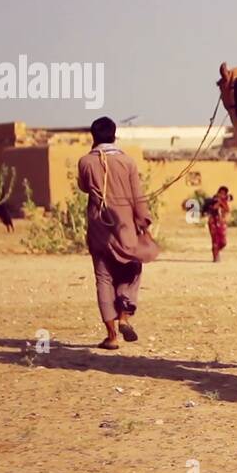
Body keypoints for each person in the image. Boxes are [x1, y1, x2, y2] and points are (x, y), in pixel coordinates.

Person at [77, 117, 160, 350]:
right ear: (114, 135)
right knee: (132, 269)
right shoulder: (128, 162)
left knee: (103, 277)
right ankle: (124, 314)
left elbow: (84, 187)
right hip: (125, 227)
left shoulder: (85, 162)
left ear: (93, 136)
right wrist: (144, 222)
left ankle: (112, 336)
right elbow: (138, 197)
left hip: (98, 226)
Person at [207, 186, 232, 262]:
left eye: (224, 193)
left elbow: (227, 210)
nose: (222, 194)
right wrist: (218, 202)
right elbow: (213, 208)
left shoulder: (224, 201)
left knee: (223, 242)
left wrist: (222, 202)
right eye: (221, 193)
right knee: (215, 240)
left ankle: (216, 251)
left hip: (221, 222)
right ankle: (216, 256)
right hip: (213, 222)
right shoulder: (214, 200)